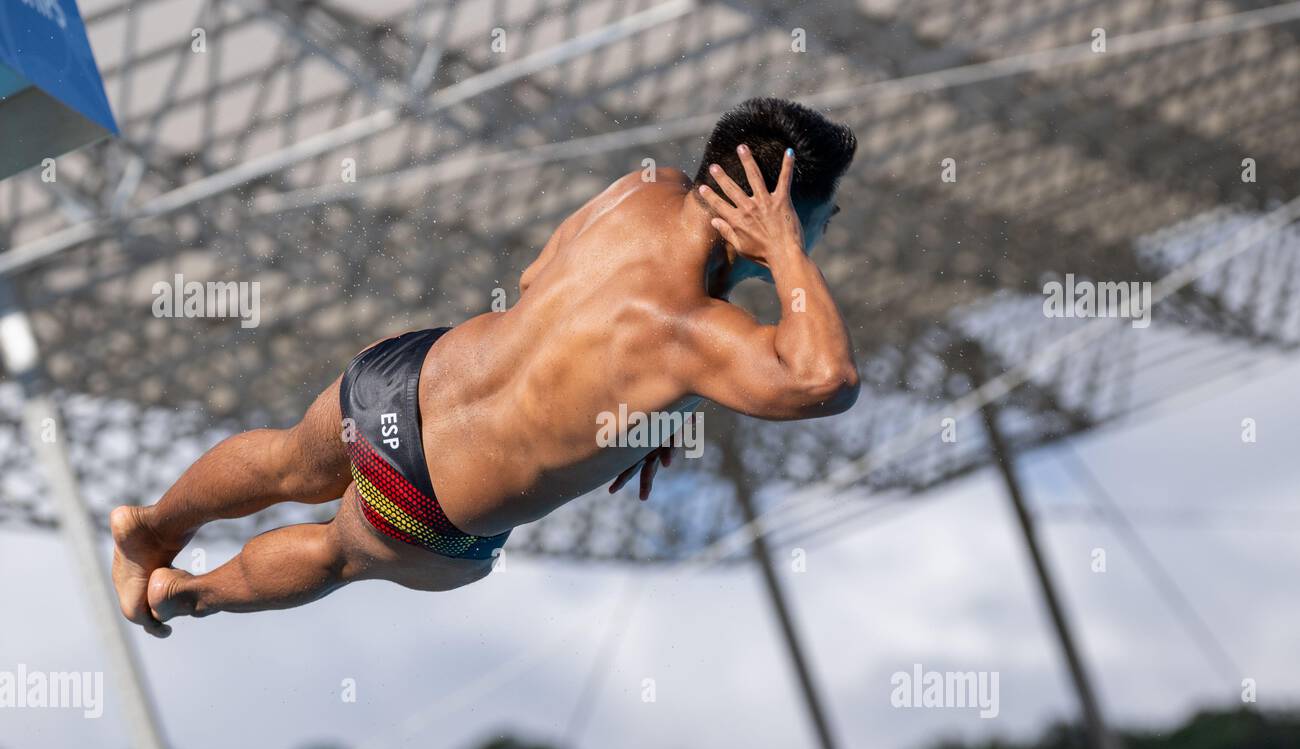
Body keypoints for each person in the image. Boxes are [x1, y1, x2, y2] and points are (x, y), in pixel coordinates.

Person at [110, 97, 860, 637]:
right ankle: (184, 594)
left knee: (285, 459)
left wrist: (654, 400)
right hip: (434, 500)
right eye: (826, 211)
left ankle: (146, 527)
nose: (833, 224)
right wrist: (787, 248)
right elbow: (823, 381)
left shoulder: (645, 187)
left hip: (412, 373)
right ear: (784, 207)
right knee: (340, 555)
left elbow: (539, 278)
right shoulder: (699, 333)